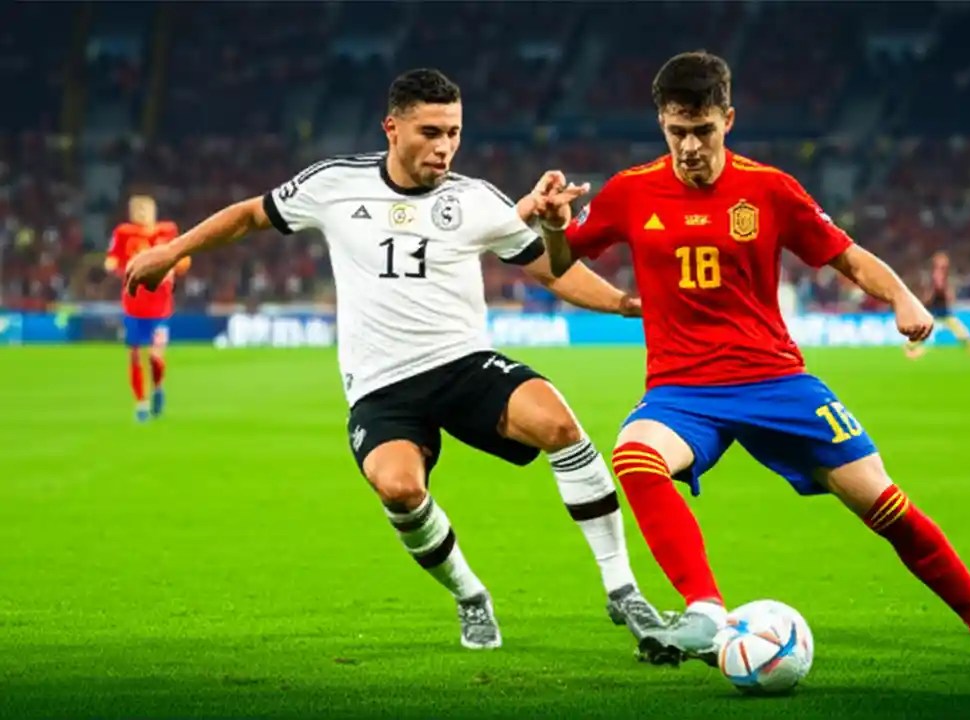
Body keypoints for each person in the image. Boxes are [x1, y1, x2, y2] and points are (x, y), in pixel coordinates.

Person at [533, 51, 970, 672]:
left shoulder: (770, 189)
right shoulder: (630, 191)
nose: (691, 147)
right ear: (661, 124)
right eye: (677, 132)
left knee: (883, 504)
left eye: (703, 131)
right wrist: (560, 230)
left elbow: (849, 257)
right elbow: (558, 265)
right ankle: (703, 610)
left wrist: (903, 295)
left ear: (729, 118)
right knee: (635, 455)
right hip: (682, 388)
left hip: (776, 380)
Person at [124, 68, 663, 650]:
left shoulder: (477, 199)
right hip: (382, 384)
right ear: (392, 128)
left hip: (462, 363)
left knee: (560, 422)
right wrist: (171, 250)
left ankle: (623, 590)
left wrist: (625, 304)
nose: (445, 146)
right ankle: (470, 595)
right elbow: (252, 215)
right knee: (399, 488)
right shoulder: (334, 184)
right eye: (430, 131)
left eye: (454, 132)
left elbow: (547, 268)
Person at [104, 195, 188, 421]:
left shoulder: (167, 231)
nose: (141, 212)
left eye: (145, 208)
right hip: (133, 305)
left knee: (155, 355)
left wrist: (177, 266)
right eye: (137, 208)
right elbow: (111, 259)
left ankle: (158, 388)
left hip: (160, 307)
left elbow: (183, 259)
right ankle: (141, 404)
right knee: (134, 356)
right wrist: (114, 266)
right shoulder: (123, 233)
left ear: (153, 210)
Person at [905, 251, 970, 359]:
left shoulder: (940, 275)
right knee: (955, 329)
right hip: (937, 310)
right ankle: (909, 348)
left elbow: (934, 292)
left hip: (940, 310)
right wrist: (945, 295)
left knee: (956, 329)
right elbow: (937, 290)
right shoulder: (937, 275)